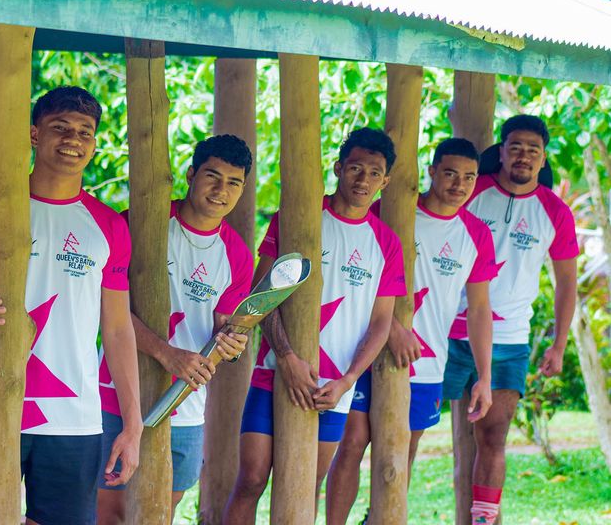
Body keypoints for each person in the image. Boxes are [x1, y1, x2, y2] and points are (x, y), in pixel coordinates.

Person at [0, 86, 142, 525]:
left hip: (74, 420)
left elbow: (116, 329)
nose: (73, 140)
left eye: (85, 132)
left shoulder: (108, 226)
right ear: (35, 134)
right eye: (60, 128)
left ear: (94, 143)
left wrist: (133, 425)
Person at [223, 128, 406, 523]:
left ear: (385, 182)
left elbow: (380, 323)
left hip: (333, 388)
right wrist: (286, 357)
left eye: (374, 173)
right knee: (252, 479)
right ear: (339, 168)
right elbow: (260, 297)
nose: (363, 180)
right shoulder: (298, 218)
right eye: (355, 168)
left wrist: (348, 380)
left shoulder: (386, 242)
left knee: (306, 484)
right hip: (273, 373)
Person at [326, 138, 497, 524]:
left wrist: (484, 377)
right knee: (352, 444)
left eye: (469, 177)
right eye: (450, 173)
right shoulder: (392, 212)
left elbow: (480, 309)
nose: (459, 184)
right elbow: (357, 276)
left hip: (427, 363)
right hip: (364, 348)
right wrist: (396, 328)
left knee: (401, 453)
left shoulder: (476, 235)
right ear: (432, 171)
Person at [96, 134, 254, 523]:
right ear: (190, 174)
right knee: (111, 513)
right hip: (113, 393)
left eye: (234, 183)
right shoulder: (139, 223)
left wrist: (231, 343)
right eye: (212, 177)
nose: (221, 191)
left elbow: (222, 328)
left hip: (185, 405)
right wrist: (166, 353)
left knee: (158, 513)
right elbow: (104, 308)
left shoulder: (236, 254)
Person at [443, 115, 578, 525]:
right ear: (500, 151)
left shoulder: (555, 211)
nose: (523, 156)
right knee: (403, 425)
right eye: (515, 147)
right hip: (444, 332)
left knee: (493, 436)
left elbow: (567, 282)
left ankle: (484, 521)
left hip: (508, 340)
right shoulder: (471, 192)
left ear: (543, 158)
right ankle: (383, 509)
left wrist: (558, 344)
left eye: (532, 150)